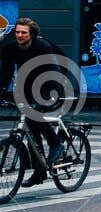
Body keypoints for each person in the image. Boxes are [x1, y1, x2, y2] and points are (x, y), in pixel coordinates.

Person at [0, 18, 73, 186]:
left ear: (31, 34)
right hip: (27, 86)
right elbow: (6, 72)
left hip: (51, 84)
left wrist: (48, 97)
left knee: (34, 116)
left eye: (23, 33)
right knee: (31, 129)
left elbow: (53, 72)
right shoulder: (9, 47)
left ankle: (56, 144)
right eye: (17, 32)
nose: (19, 35)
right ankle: (39, 172)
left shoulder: (43, 47)